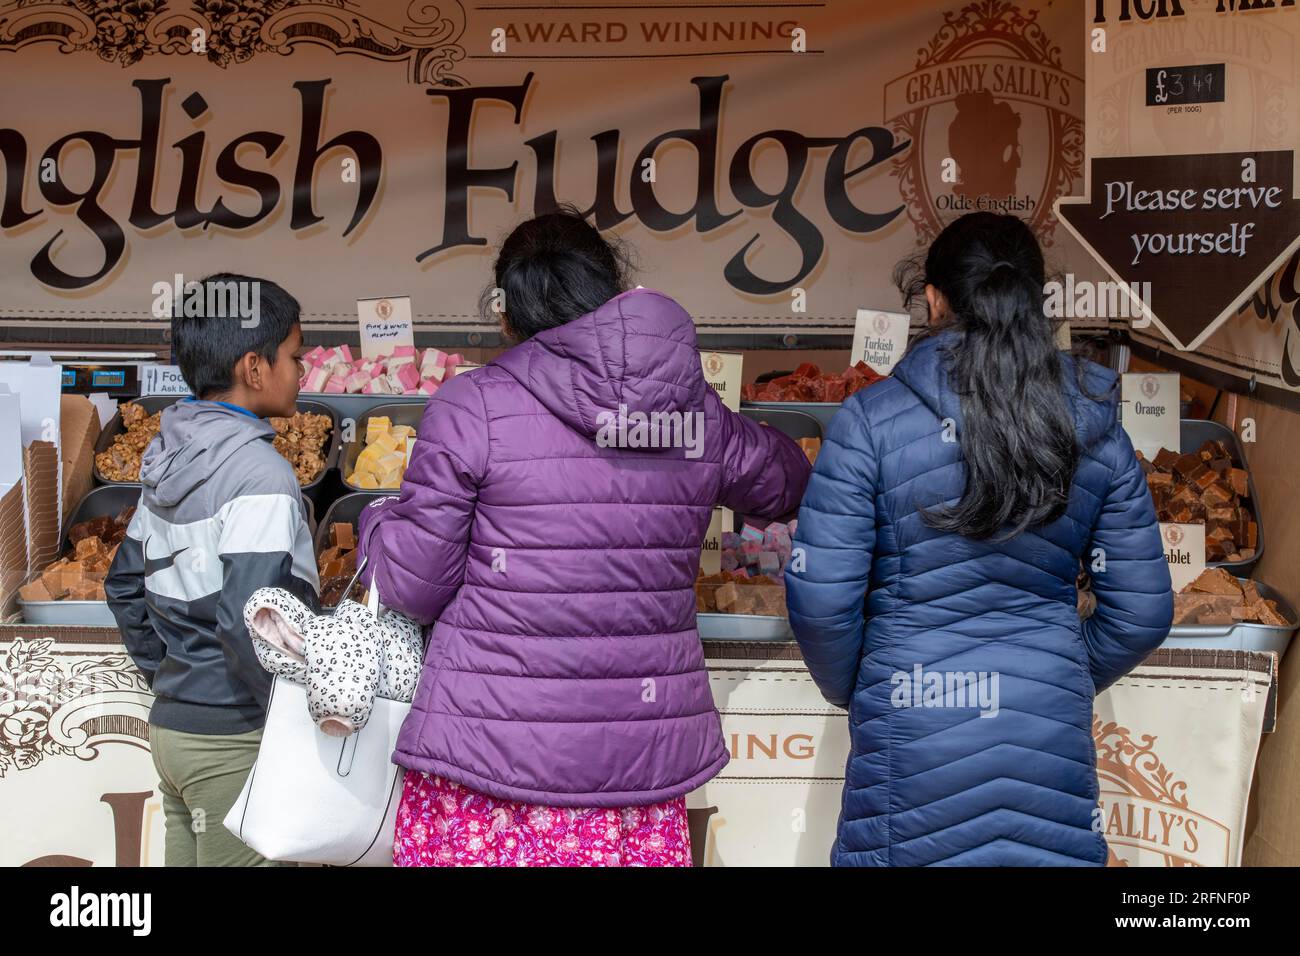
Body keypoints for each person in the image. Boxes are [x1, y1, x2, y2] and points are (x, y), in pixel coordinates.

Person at [358, 209, 811, 867]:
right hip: (634, 771)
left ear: (506, 314)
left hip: (488, 766)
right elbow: (785, 485)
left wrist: (376, 522)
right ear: (611, 293)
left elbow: (414, 584)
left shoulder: (471, 405)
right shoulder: (691, 416)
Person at [785, 212, 1174, 867]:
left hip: (912, 724)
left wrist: (866, 684)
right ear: (1034, 296)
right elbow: (1142, 612)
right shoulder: (1096, 422)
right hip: (1046, 728)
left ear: (933, 298)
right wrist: (1058, 668)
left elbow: (822, 599)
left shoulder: (870, 421)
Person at [106, 274, 319, 867]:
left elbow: (124, 586)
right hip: (232, 739)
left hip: (174, 733)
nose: (301, 372)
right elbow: (249, 620)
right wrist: (281, 716)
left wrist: (174, 678)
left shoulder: (168, 460)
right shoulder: (260, 475)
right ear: (255, 368)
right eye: (294, 358)